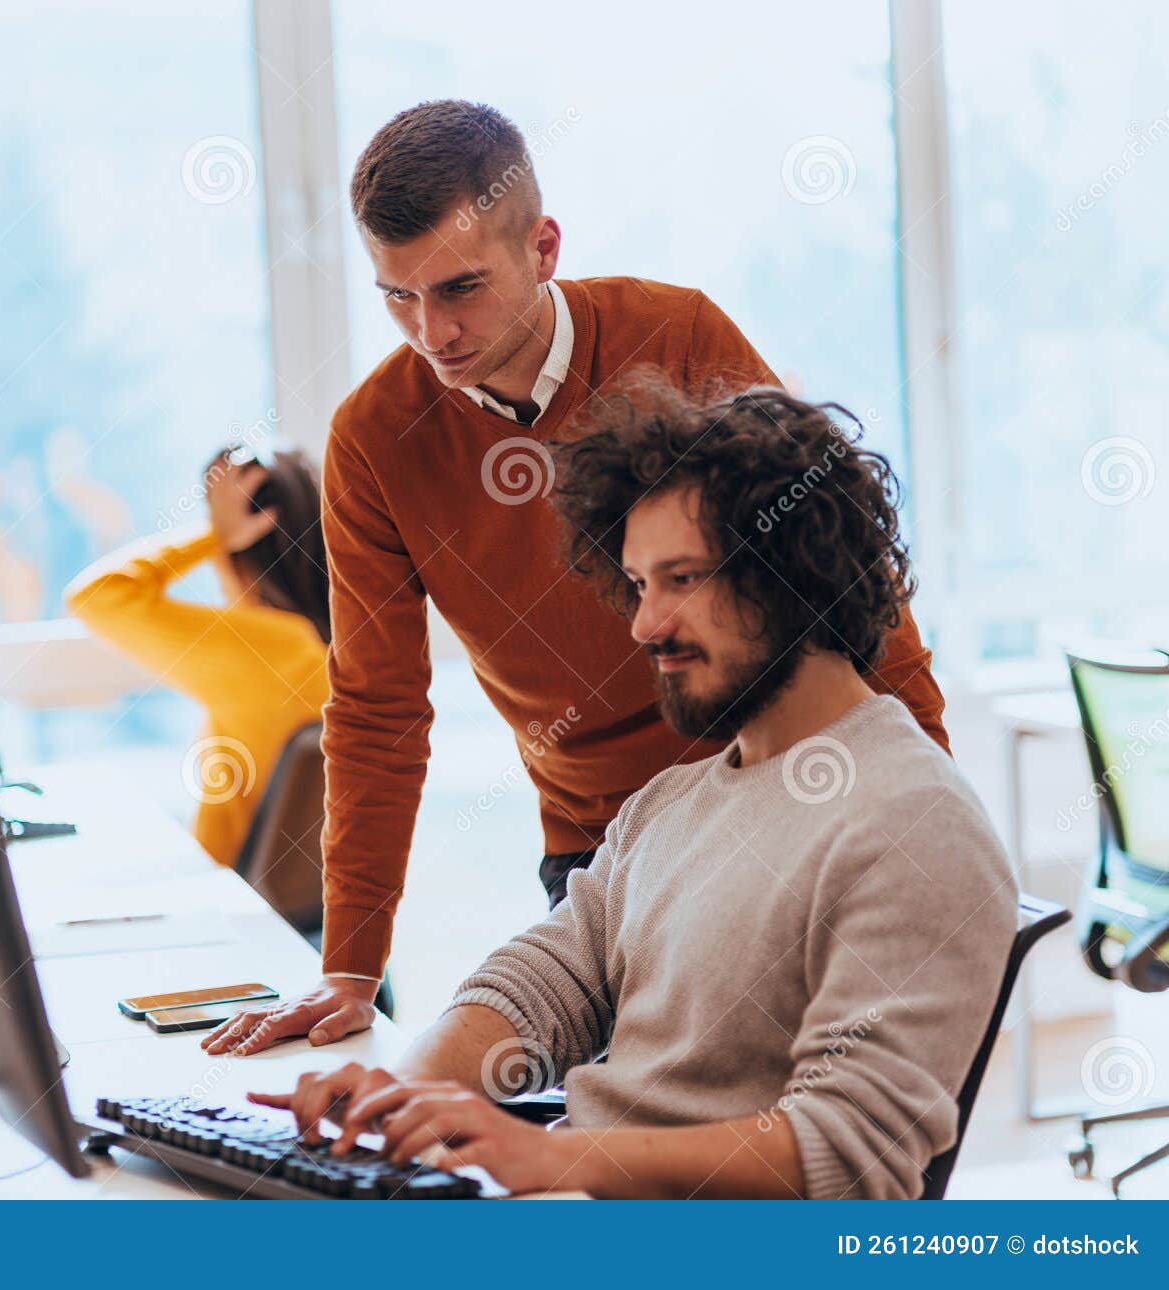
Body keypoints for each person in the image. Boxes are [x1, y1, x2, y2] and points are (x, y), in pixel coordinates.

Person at [204, 99, 948, 1056]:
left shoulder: (674, 334)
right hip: (598, 845)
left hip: (776, 797)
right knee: (615, 1134)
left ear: (544, 246)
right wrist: (348, 968)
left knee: (780, 1135)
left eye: (461, 288)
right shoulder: (376, 437)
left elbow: (845, 576)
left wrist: (936, 797)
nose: (432, 332)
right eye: (398, 297)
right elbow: (379, 707)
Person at [246, 379, 1016, 1200]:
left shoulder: (916, 824)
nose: (645, 625)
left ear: (796, 578)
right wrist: (414, 1087)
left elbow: (849, 1155)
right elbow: (553, 980)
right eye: (641, 584)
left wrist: (546, 1158)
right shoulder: (672, 803)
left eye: (681, 579)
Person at [63, 448, 330, 866]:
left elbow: (95, 597)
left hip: (226, 895)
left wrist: (212, 536)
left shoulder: (271, 646)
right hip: (293, 914)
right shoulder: (340, 644)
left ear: (246, 539)